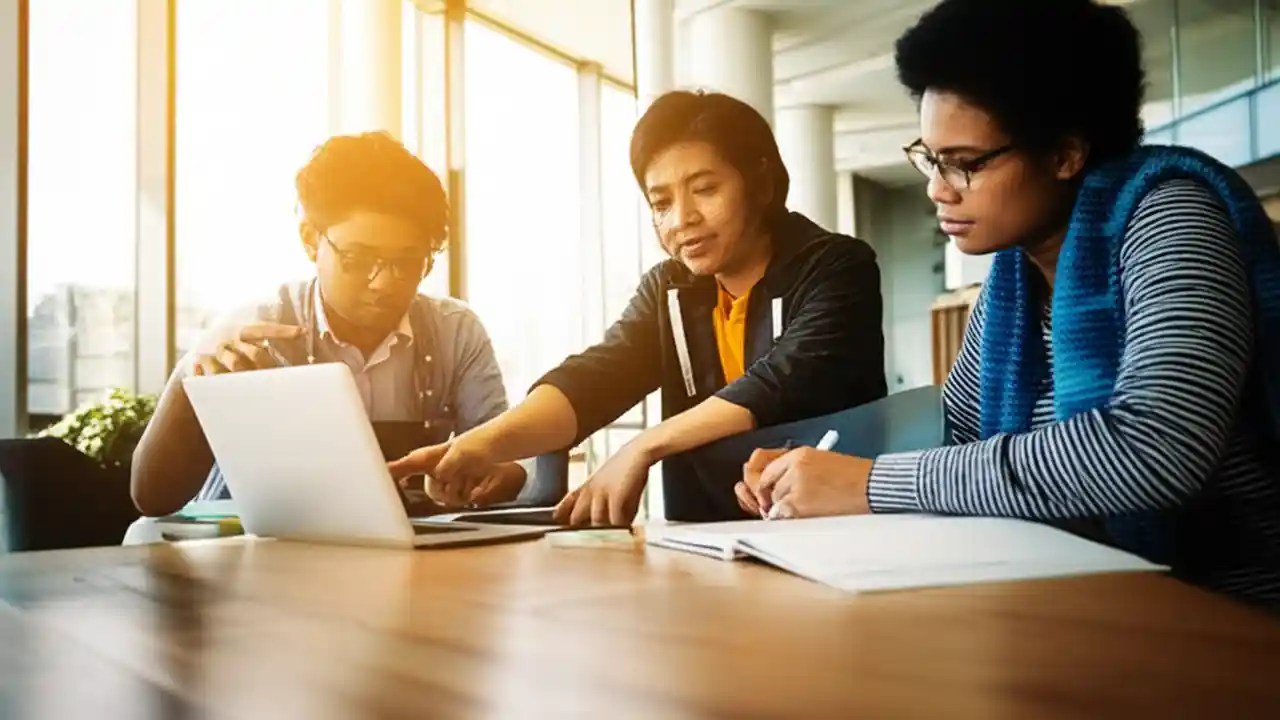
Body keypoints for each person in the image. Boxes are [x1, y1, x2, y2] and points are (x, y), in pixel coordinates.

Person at [738, 0, 1280, 610]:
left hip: (1229, 619)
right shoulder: (1013, 284)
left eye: (965, 164)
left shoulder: (1170, 218)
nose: (937, 189)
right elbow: (962, 448)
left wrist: (868, 482)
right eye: (930, 157)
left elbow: (1155, 446)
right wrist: (815, 476)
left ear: (1066, 153)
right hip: (1086, 609)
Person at [390, 90, 886, 527]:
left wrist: (641, 447)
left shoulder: (836, 266)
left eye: (706, 189)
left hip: (829, 535)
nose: (683, 219)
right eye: (661, 202)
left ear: (760, 183)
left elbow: (778, 381)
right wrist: (480, 445)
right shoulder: (670, 289)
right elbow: (597, 379)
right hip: (707, 542)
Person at [131, 132, 529, 517]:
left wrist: (496, 474)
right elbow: (151, 496)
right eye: (357, 259)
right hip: (258, 548)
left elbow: (506, 465)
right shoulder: (256, 329)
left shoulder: (455, 332)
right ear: (310, 240)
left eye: (408, 262)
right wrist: (192, 378)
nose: (385, 283)